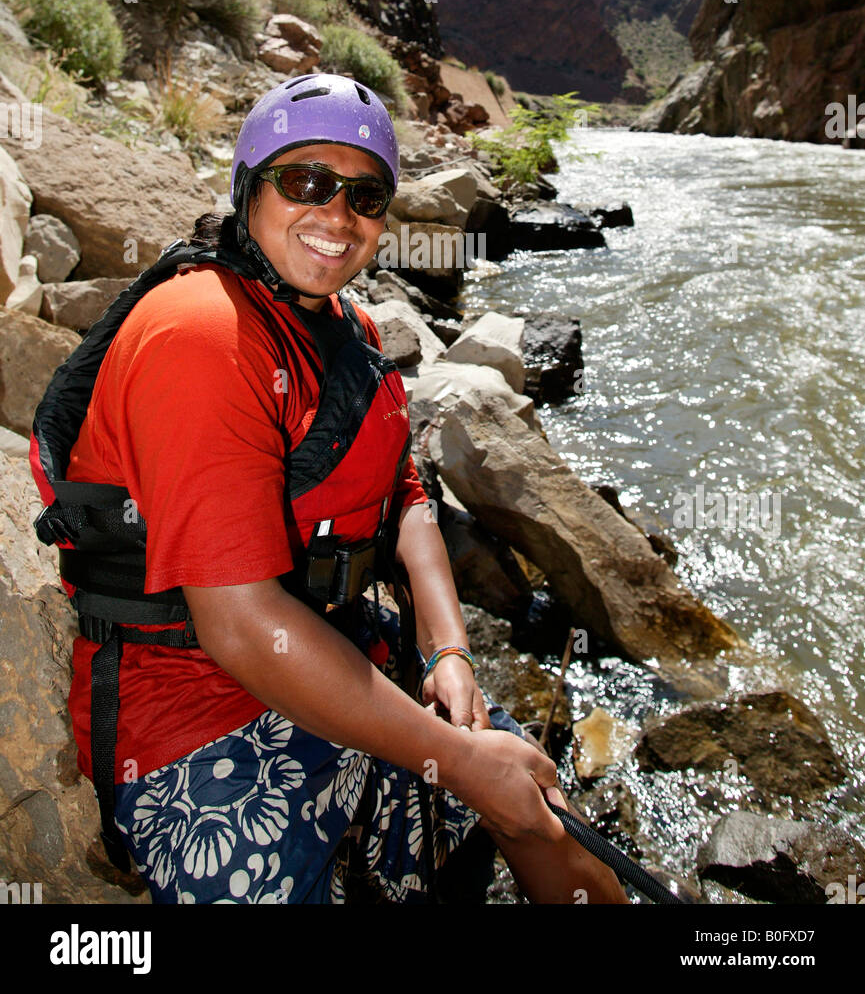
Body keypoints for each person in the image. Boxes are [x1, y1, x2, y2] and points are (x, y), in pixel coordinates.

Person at [35, 72, 628, 905]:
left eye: (366, 195)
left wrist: (450, 650)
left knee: (540, 813)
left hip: (347, 650)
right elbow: (240, 627)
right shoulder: (203, 334)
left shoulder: (340, 325)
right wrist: (455, 761)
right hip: (195, 711)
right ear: (249, 187)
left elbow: (406, 495)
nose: (336, 215)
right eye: (305, 181)